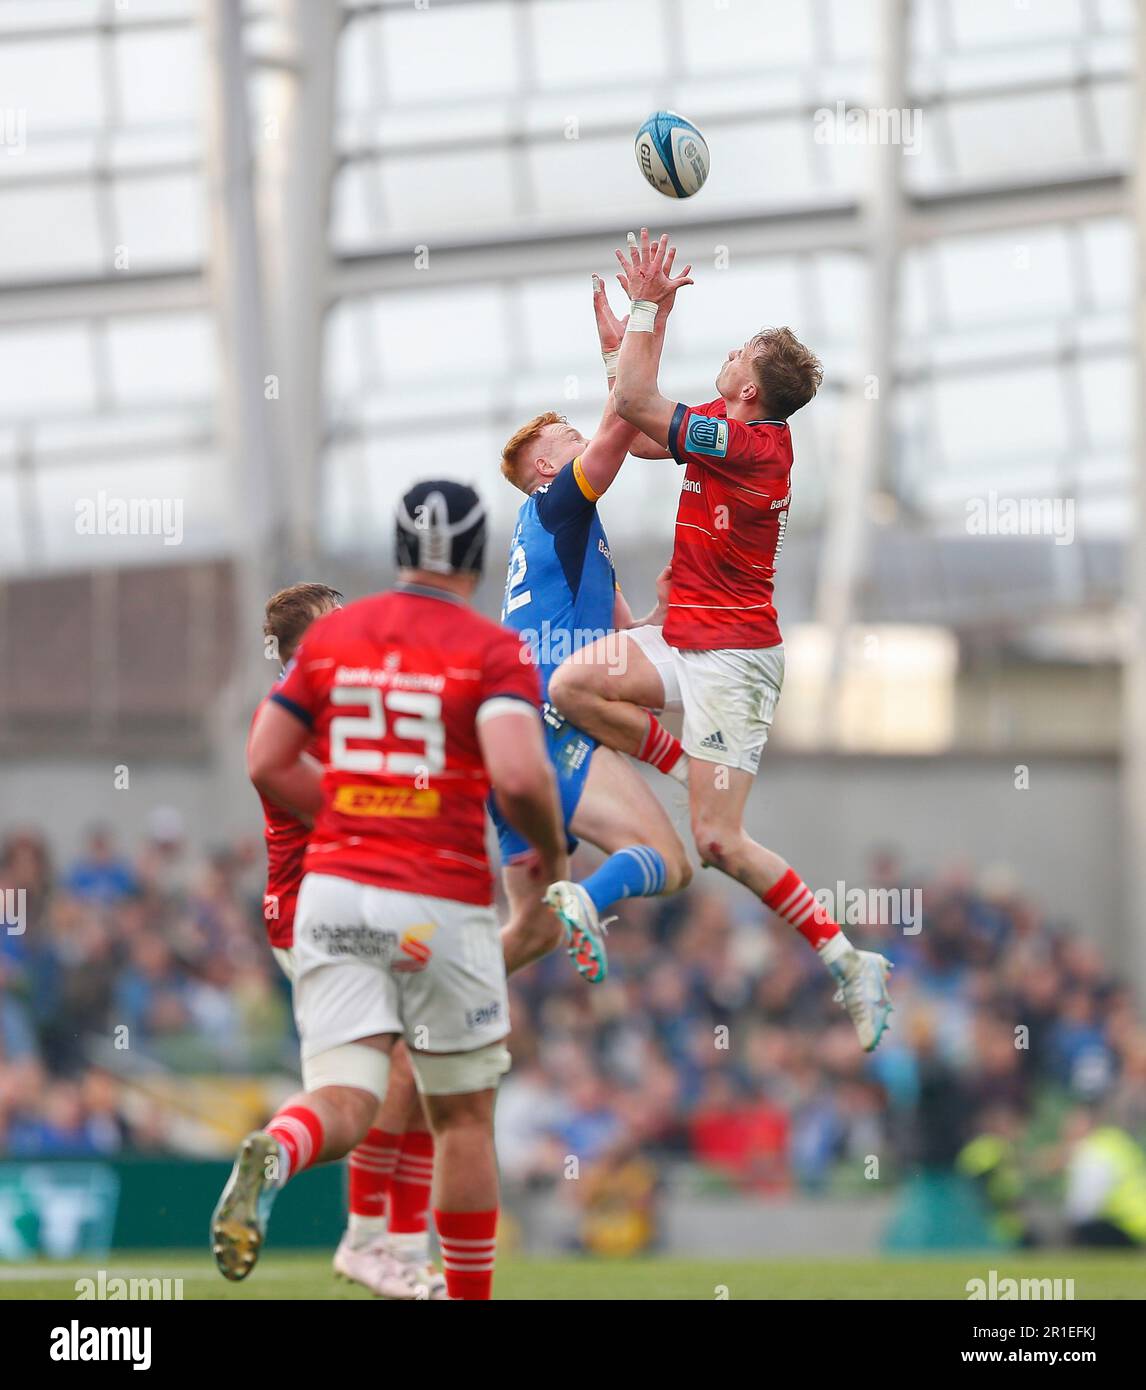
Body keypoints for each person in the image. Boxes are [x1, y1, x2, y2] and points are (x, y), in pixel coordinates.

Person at [212, 481, 566, 1301]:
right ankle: (389, 1249)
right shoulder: (486, 648)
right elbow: (517, 773)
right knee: (461, 1113)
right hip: (429, 891)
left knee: (351, 1092)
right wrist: (552, 851)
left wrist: (350, 812)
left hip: (330, 901)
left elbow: (265, 759)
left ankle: (289, 1152)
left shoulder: (343, 653)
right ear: (478, 557)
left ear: (399, 551)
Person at [548, 228, 893, 1051]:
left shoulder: (752, 444)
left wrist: (645, 309)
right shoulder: (724, 427)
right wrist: (633, 337)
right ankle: (678, 768)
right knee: (570, 686)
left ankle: (849, 960)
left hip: (735, 662)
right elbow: (633, 428)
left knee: (716, 843)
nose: (730, 353)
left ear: (750, 386)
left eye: (741, 351)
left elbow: (635, 403)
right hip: (686, 635)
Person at [495, 265, 693, 985]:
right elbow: (629, 416)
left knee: (531, 931)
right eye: (569, 436)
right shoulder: (559, 504)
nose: (587, 440)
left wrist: (654, 620)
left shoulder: (559, 540)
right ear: (546, 467)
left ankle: (424, 1009)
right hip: (553, 724)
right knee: (669, 863)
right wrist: (644, 320)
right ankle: (590, 893)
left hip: (505, 737)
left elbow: (618, 638)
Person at [254, 581, 445, 1299]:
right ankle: (368, 1242)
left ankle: (399, 1246)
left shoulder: (348, 702)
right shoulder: (291, 721)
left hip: (374, 911)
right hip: (318, 919)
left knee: (426, 1066)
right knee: (387, 1077)